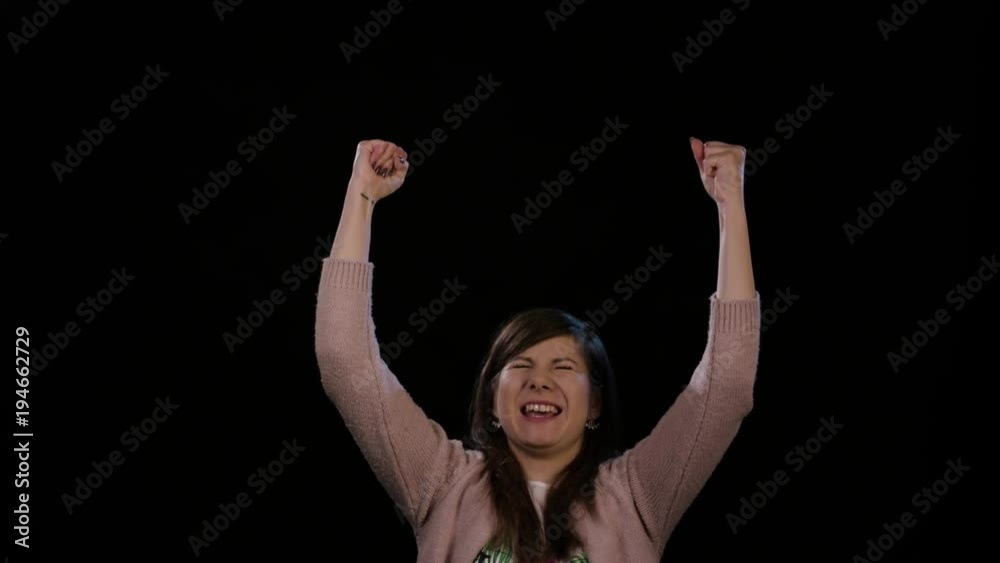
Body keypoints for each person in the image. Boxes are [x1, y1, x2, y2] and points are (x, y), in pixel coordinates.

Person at [315, 138, 760, 562]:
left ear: (596, 404)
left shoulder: (637, 494)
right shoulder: (442, 482)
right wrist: (362, 198)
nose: (539, 379)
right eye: (520, 364)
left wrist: (731, 205)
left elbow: (726, 388)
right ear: (491, 399)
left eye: (564, 366)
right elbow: (345, 359)